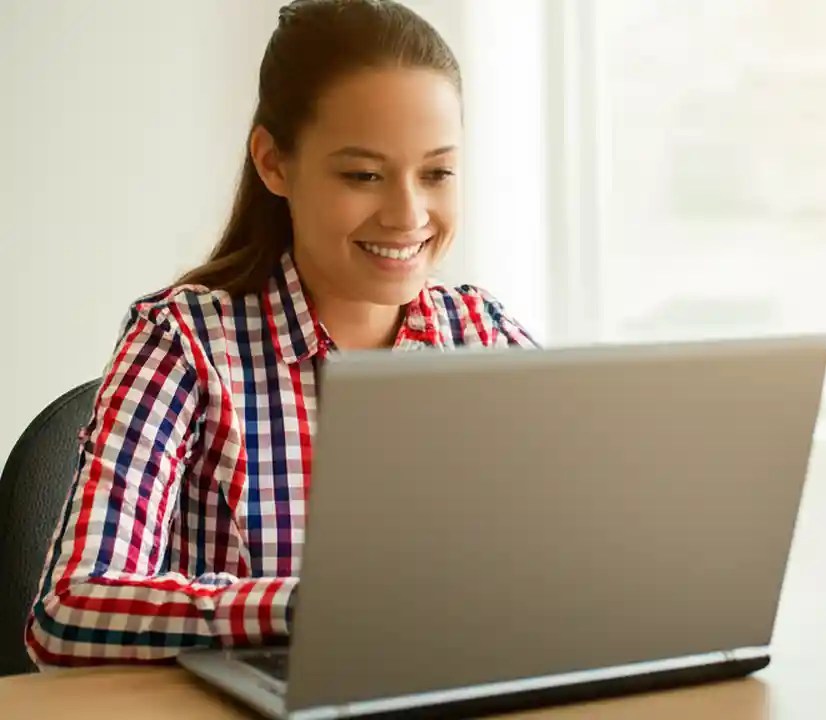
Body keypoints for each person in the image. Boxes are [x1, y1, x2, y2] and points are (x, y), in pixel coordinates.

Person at [24, 0, 536, 668]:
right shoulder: (183, 342)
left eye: (437, 172)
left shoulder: (484, 334)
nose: (409, 213)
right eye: (363, 175)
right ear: (274, 163)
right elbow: (69, 611)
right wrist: (310, 608)